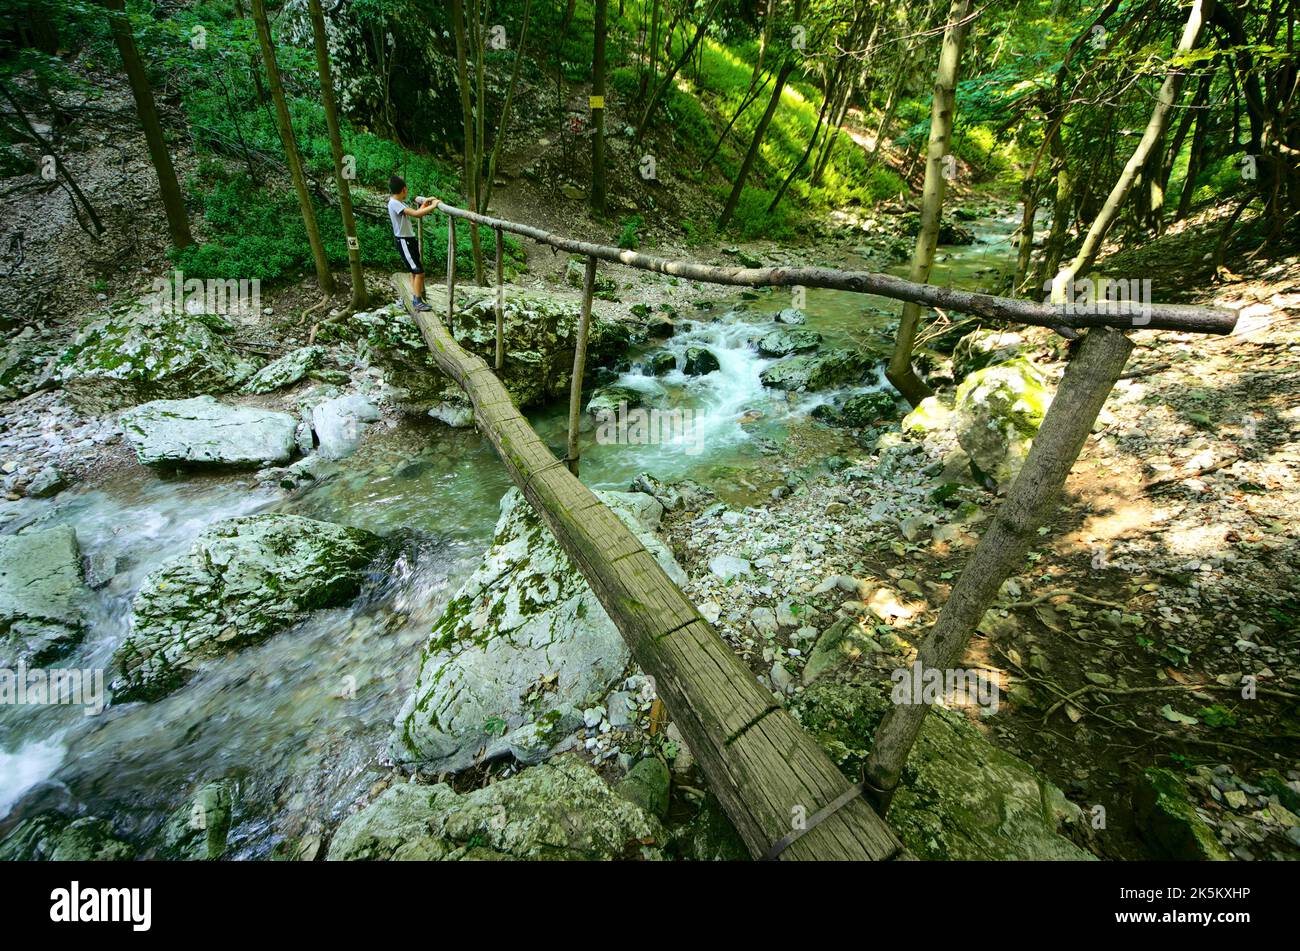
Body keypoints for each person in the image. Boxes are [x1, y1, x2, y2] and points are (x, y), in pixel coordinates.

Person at [387, 175, 440, 311]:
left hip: (408, 240)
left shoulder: (397, 202)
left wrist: (425, 203)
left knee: (414, 271)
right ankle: (417, 301)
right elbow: (416, 214)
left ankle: (415, 296)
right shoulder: (394, 203)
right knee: (419, 272)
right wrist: (433, 205)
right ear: (404, 189)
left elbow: (416, 212)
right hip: (404, 241)